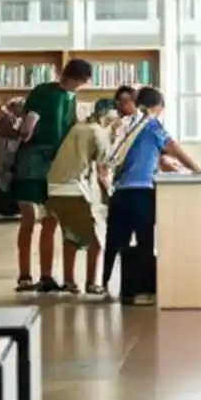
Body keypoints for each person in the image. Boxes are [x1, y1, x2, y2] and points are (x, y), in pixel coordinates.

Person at [102, 86, 201, 300]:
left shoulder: (126, 124)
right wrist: (197, 168)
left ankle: (104, 285)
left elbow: (141, 155)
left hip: (120, 191)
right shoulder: (152, 124)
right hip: (142, 191)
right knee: (144, 242)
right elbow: (174, 148)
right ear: (158, 107)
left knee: (115, 241)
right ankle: (142, 290)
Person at [12, 59, 92, 293]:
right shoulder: (47, 92)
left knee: (46, 220)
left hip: (50, 163)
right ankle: (28, 275)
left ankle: (40, 276)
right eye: (82, 81)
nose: (81, 86)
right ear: (75, 78)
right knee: (37, 219)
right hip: (37, 163)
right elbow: (29, 124)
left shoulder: (67, 97)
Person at [46, 98, 118, 296]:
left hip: (53, 189)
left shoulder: (79, 127)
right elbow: (104, 168)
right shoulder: (98, 131)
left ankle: (69, 281)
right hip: (72, 190)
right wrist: (112, 195)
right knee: (95, 243)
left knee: (71, 238)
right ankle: (91, 283)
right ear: (108, 115)